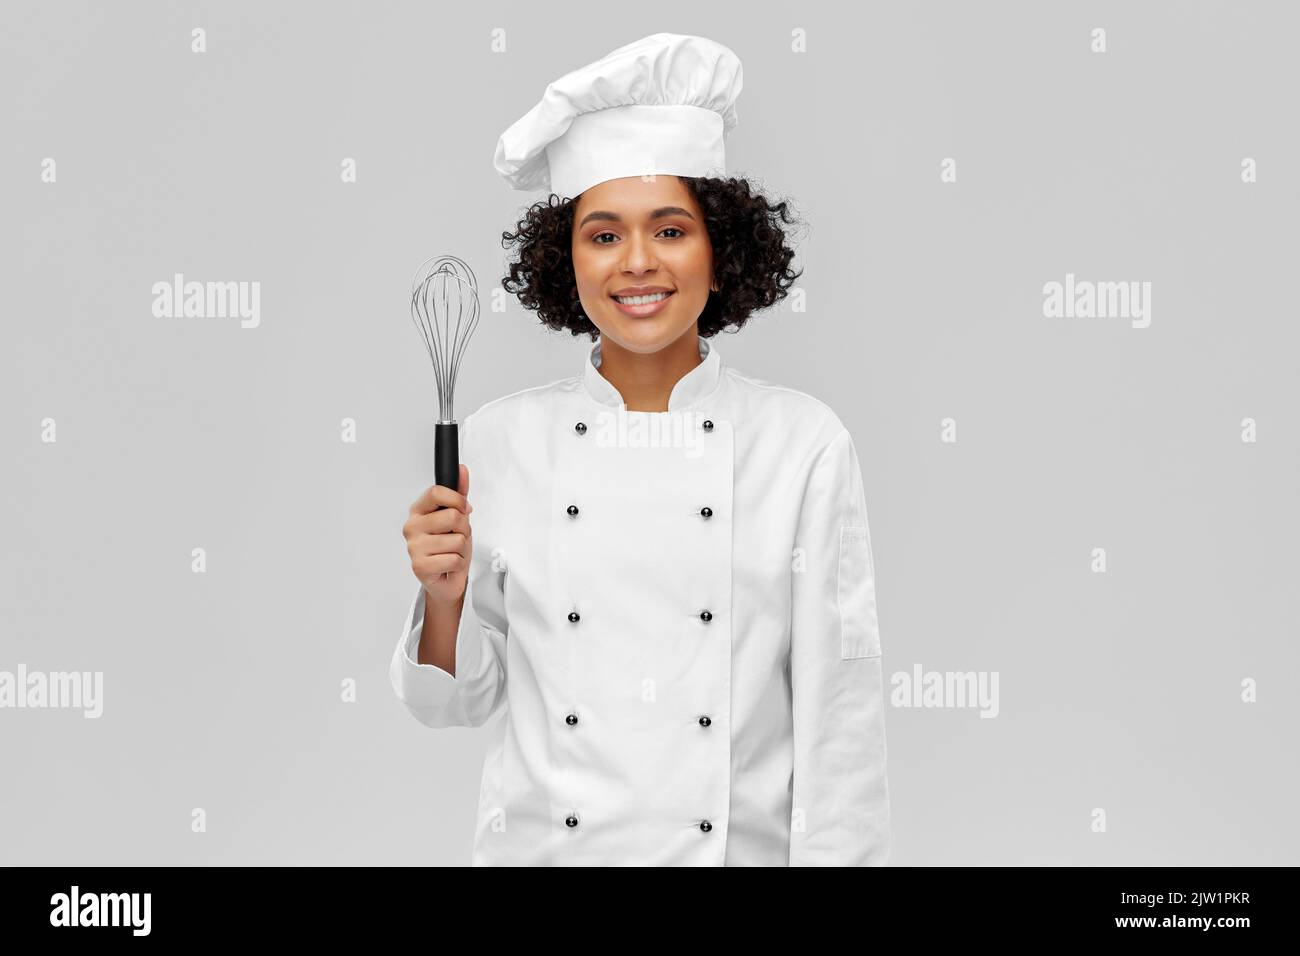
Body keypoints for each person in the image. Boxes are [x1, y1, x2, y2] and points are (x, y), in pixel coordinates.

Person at [390, 32, 890, 866]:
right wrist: (442, 598)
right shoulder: (498, 440)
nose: (638, 265)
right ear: (566, 259)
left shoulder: (802, 445)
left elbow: (842, 721)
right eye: (603, 235)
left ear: (720, 250)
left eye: (669, 229)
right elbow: (454, 704)